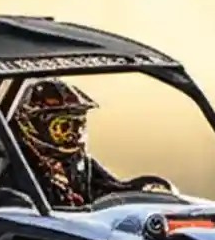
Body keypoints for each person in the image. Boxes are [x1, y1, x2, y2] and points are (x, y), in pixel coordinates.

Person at [8, 77, 138, 207]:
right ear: (31, 126)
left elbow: (114, 189)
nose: (74, 135)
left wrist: (141, 188)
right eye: (64, 127)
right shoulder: (17, 167)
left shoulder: (79, 161)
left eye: (79, 125)